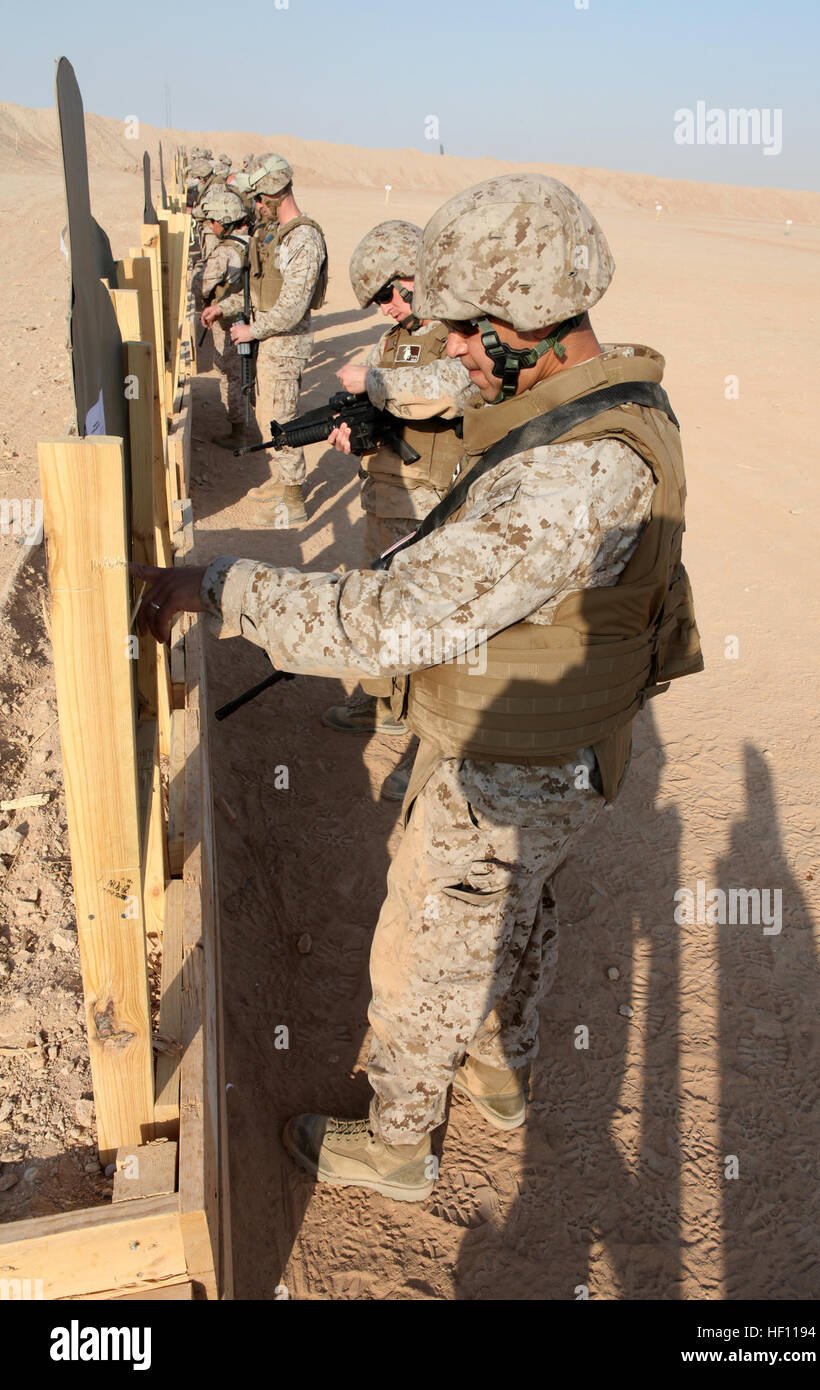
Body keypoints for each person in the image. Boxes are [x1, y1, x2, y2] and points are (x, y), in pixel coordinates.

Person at [133, 173, 703, 1203]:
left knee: (430, 936)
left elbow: (387, 619)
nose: (455, 356)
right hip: (571, 744)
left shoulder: (570, 475)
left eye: (468, 337)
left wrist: (216, 587)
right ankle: (500, 1065)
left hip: (515, 759)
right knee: (517, 906)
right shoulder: (611, 403)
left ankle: (397, 1142)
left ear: (522, 324)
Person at [320, 219, 480, 801]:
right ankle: (385, 702)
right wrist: (357, 433)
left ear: (415, 274)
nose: (386, 309)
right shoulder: (397, 339)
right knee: (382, 604)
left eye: (389, 293)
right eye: (378, 301)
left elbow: (451, 387)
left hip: (435, 503)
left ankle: (425, 750)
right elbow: (393, 413)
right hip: (390, 497)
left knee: (428, 622)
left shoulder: (463, 332)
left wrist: (375, 381)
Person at [201, 153, 327, 526]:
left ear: (274, 193)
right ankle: (279, 479)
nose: (255, 206)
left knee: (281, 420)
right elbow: (257, 296)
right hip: (270, 341)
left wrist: (250, 331)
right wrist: (223, 309)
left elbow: (291, 308)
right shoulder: (274, 235)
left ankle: (293, 500)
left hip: (285, 344)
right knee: (267, 414)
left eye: (259, 198)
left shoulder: (304, 240)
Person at [194, 186, 252, 450]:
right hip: (253, 318)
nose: (212, 227)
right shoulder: (253, 243)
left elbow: (203, 285)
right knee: (246, 371)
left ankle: (238, 431)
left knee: (230, 374)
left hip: (229, 321)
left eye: (214, 222)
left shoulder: (224, 251)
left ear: (225, 222)